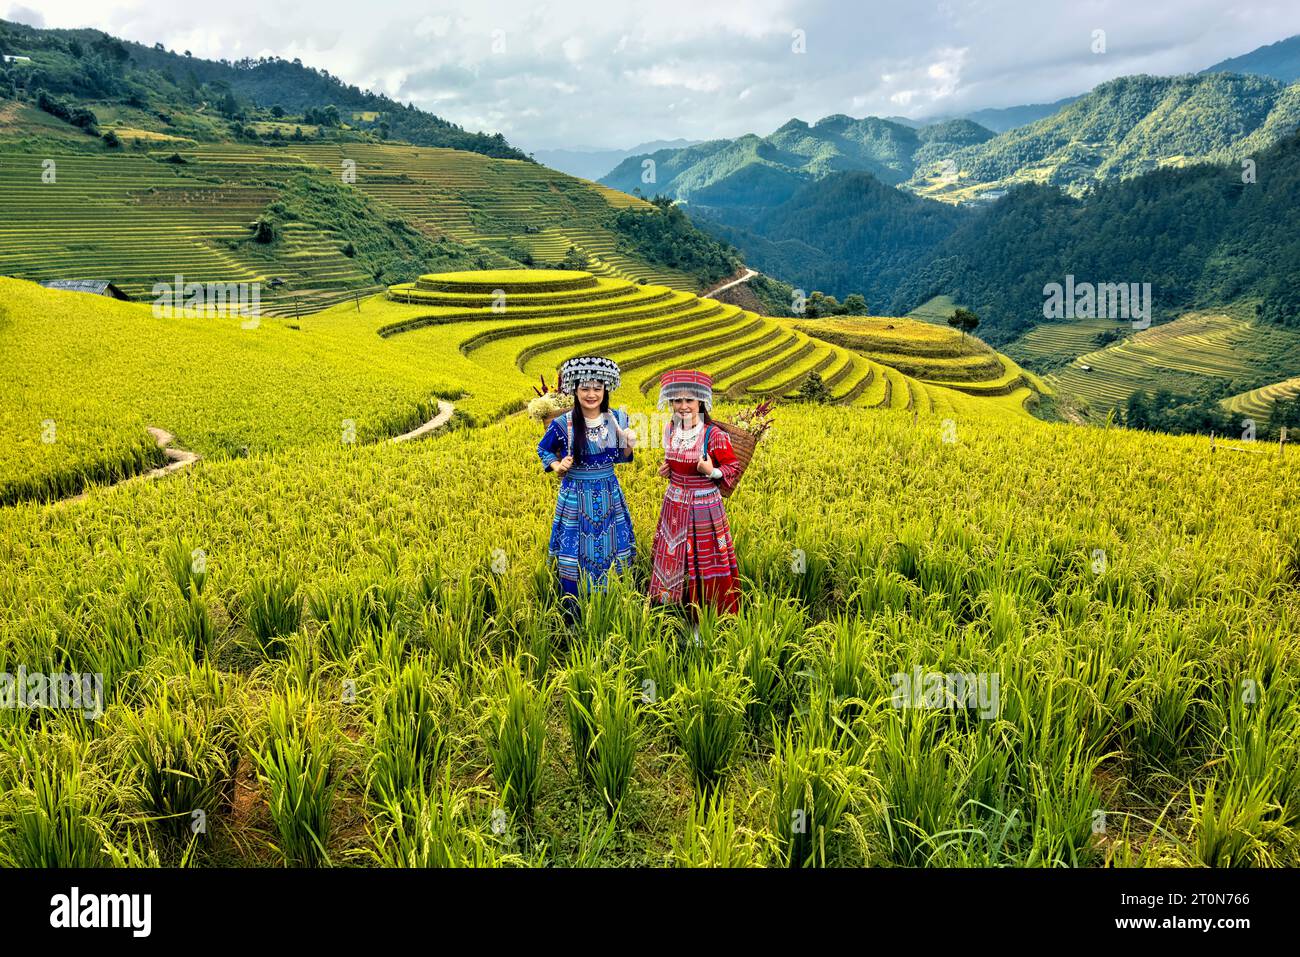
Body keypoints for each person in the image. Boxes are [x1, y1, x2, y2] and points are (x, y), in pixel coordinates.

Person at [536, 355, 637, 625]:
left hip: (608, 493)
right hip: (574, 497)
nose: (591, 394)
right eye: (585, 388)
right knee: (574, 553)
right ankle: (574, 617)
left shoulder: (617, 419)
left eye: (597, 388)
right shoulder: (563, 424)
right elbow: (543, 448)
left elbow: (621, 457)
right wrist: (557, 465)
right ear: (575, 390)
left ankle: (612, 610)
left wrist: (629, 442)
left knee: (612, 550)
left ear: (605, 390)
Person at [647, 369, 741, 630]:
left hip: (704, 507)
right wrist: (667, 469)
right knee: (676, 558)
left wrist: (711, 472)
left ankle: (704, 621)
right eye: (677, 400)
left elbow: (733, 467)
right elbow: (674, 461)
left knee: (701, 560)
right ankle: (675, 610)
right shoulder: (670, 430)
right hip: (674, 504)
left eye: (689, 400)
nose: (683, 405)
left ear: (701, 402)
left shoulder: (714, 435)